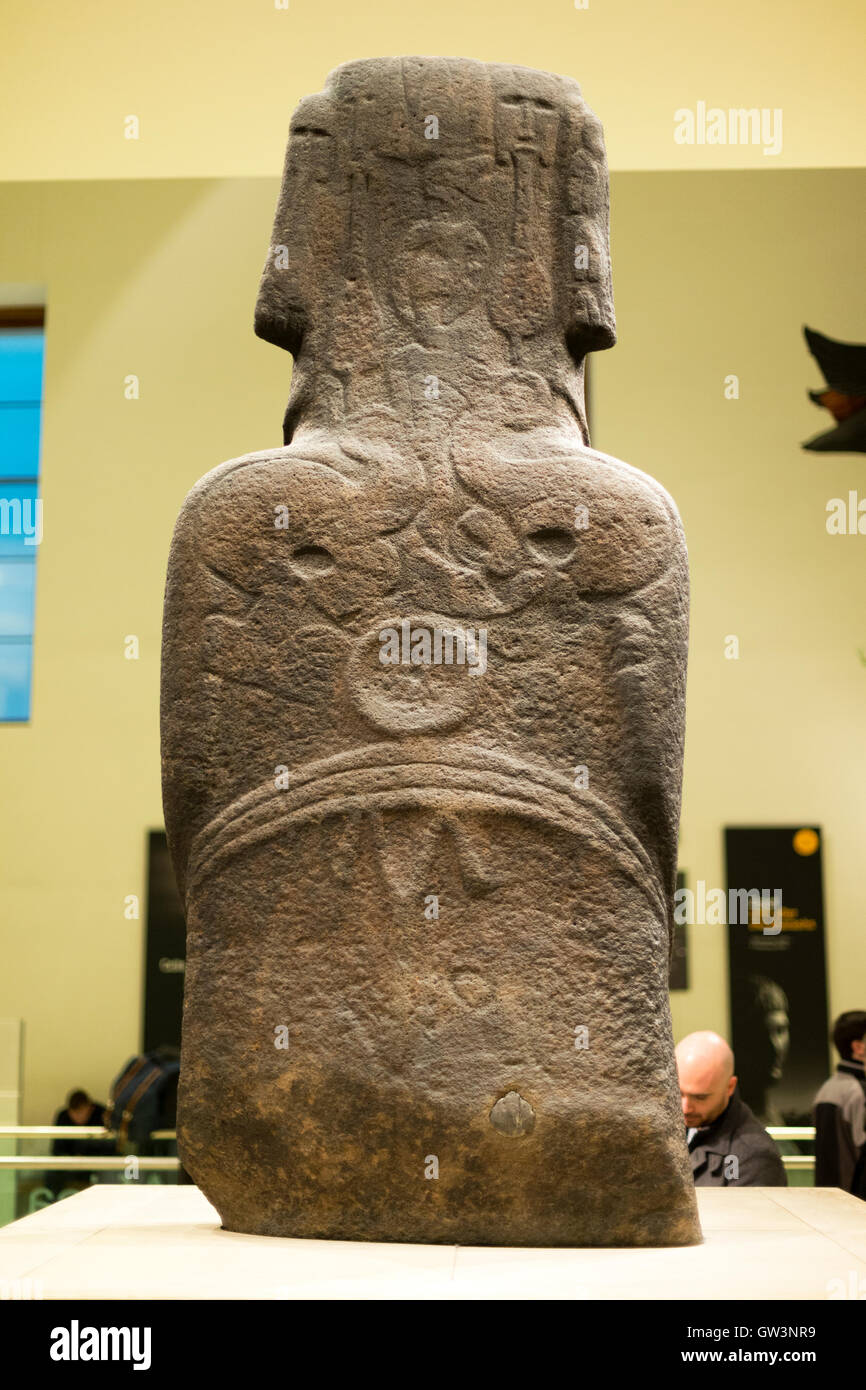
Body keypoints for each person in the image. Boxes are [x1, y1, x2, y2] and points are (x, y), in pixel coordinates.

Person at [675, 1030, 787, 1187]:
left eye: (700, 1097)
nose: (685, 1108)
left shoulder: (752, 1158)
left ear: (730, 1087)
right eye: (678, 1093)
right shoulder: (669, 1127)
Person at [813, 1010, 866, 1196]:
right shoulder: (859, 1091)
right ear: (858, 1047)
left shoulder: (826, 1089)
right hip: (856, 1204)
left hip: (831, 1201)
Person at [47, 1088, 110, 1196]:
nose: (78, 1117)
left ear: (90, 1108)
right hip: (70, 1164)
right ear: (69, 1111)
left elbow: (109, 1146)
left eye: (81, 1112)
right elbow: (57, 1148)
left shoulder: (102, 1114)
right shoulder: (63, 1117)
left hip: (97, 1164)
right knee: (52, 1174)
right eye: (74, 1114)